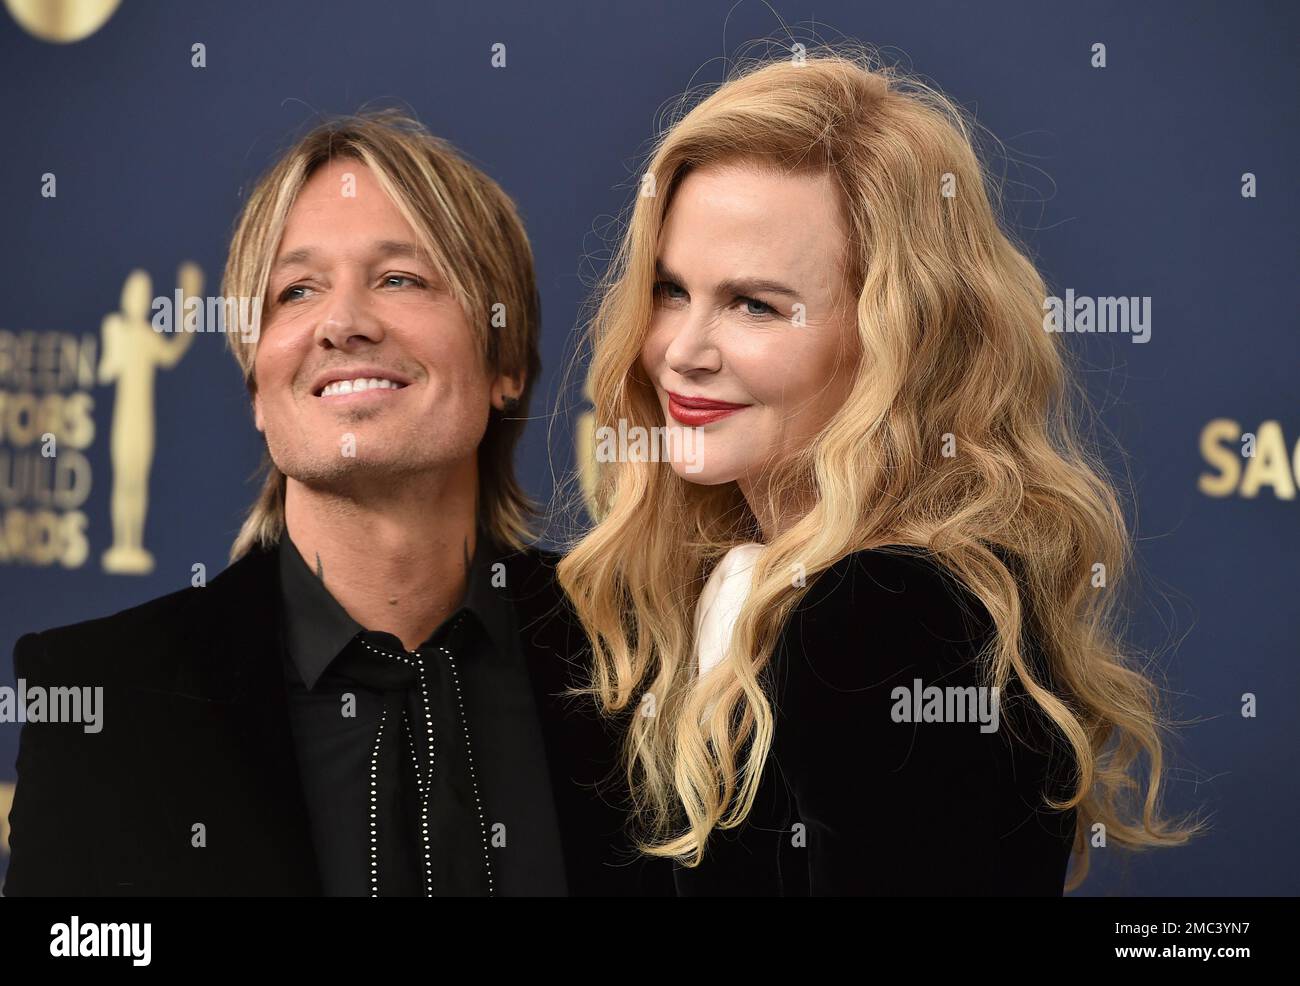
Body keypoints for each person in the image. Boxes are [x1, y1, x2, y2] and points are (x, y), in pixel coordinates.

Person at [558, 49, 1200, 895]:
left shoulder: (884, 614)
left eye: (754, 304)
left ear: (896, 336)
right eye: (671, 290)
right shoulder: (788, 589)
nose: (682, 351)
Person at [5, 111, 668, 897]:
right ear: (257, 387)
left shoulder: (646, 665)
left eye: (400, 279)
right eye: (297, 291)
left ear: (506, 362)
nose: (343, 323)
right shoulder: (109, 698)